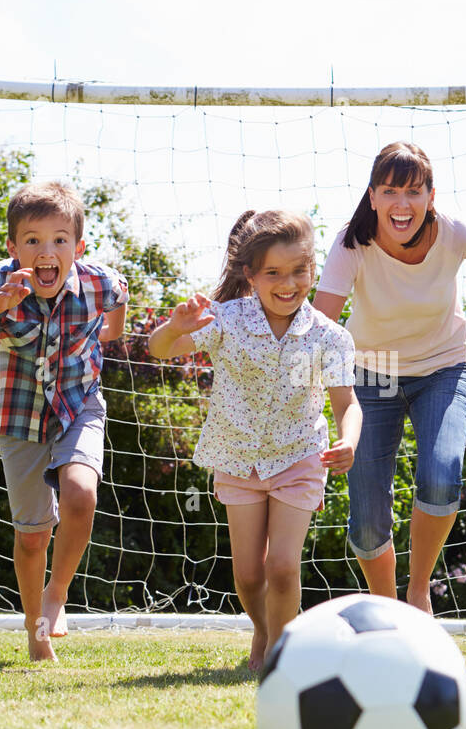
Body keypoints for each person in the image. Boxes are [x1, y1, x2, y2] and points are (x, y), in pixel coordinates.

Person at [313, 142, 466, 614]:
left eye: (413, 191)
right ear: (372, 197)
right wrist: (314, 397)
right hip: (372, 378)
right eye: (390, 191)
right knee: (367, 521)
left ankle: (419, 588)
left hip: (443, 369)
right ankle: (388, 610)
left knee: (441, 475)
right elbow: (320, 326)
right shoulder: (352, 242)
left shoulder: (452, 233)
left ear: (431, 195)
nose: (401, 204)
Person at [149, 209, 361, 671]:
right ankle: (264, 631)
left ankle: (284, 656)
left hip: (300, 456)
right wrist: (175, 328)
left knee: (282, 567)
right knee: (248, 574)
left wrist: (349, 441)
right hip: (236, 455)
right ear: (250, 274)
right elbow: (159, 349)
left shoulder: (329, 337)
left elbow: (347, 404)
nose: (288, 283)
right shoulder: (225, 319)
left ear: (313, 269)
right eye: (273, 273)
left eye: (299, 271)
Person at [0, 181, 128, 662]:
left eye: (60, 239)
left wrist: (106, 337)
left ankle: (56, 596)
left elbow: (118, 301)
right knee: (32, 536)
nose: (47, 251)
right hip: (18, 418)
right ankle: (36, 633)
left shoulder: (98, 281)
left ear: (77, 248)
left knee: (81, 494)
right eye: (33, 240)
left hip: (79, 404)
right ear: (14, 249)